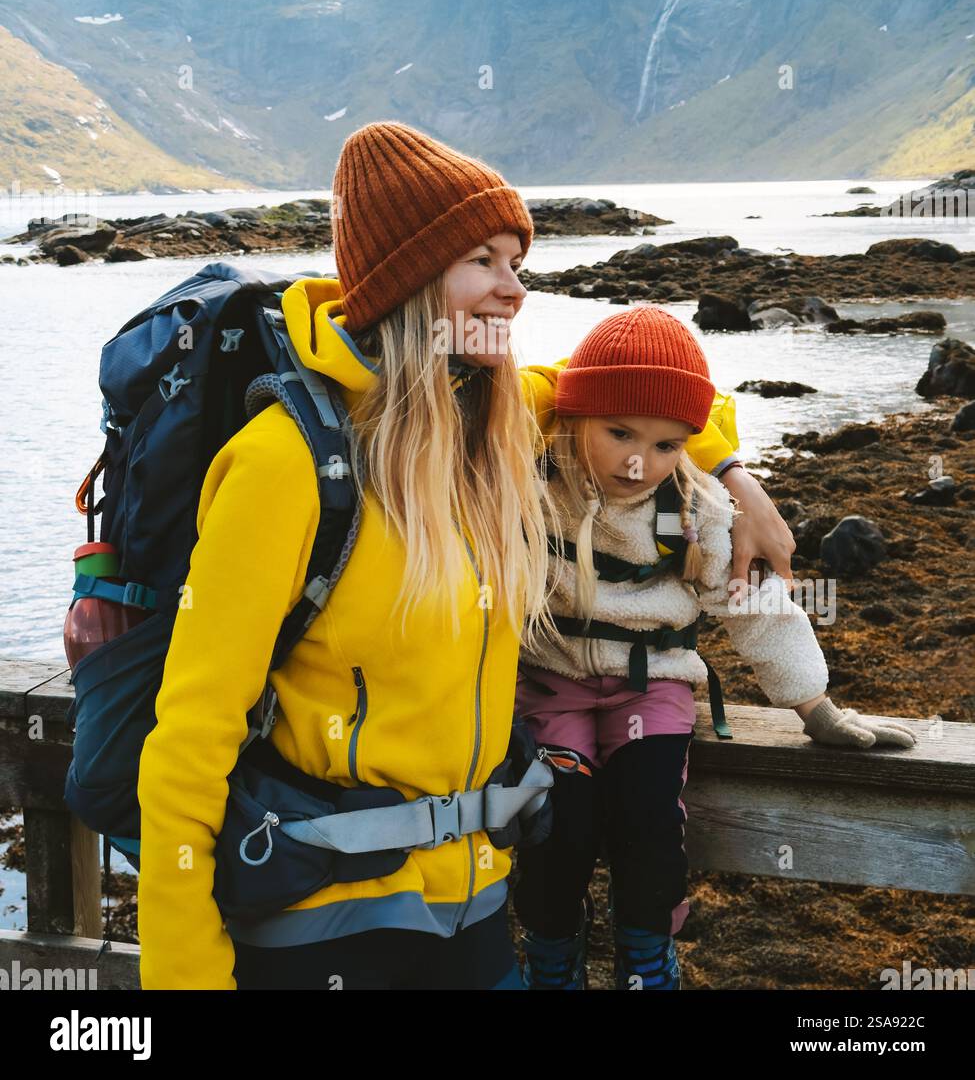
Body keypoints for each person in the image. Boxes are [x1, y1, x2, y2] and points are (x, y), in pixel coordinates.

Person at [135, 121, 800, 990]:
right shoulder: (283, 462)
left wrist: (737, 479)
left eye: (515, 263)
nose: (512, 290)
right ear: (409, 278)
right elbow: (189, 740)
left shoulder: (494, 419)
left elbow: (644, 392)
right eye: (482, 261)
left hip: (480, 914)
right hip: (327, 924)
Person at [512, 306, 918, 991]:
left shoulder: (696, 508)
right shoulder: (526, 486)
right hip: (551, 689)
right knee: (556, 826)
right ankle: (553, 955)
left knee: (649, 825)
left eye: (669, 444)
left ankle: (647, 961)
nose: (640, 461)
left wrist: (813, 705)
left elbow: (754, 606)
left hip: (651, 689)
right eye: (618, 433)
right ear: (572, 414)